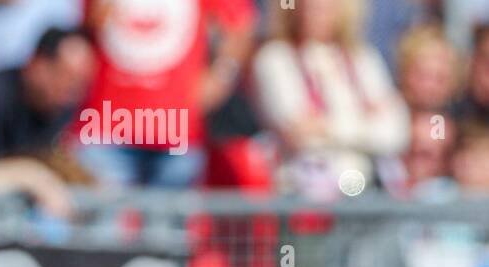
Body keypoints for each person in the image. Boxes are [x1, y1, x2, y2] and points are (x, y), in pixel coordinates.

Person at [80, 0, 257, 188]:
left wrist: (220, 77)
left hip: (177, 132)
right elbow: (81, 24)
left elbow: (240, 24)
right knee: (101, 215)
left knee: (167, 214)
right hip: (104, 128)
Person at [252, 0, 409, 198]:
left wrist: (326, 127)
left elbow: (395, 132)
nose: (318, 12)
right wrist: (366, 121)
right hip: (305, 196)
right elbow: (301, 137)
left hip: (368, 193)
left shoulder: (363, 58)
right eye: (311, 6)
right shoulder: (275, 58)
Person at [0, 24, 95, 160]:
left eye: (80, 83)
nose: (74, 93)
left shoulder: (62, 108)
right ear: (38, 64)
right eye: (67, 78)